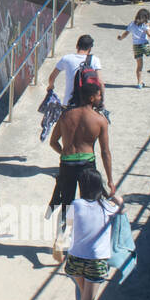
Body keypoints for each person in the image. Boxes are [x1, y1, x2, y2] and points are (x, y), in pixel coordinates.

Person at [48, 76, 113, 259]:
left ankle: (59, 240)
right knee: (90, 205)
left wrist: (64, 153)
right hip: (87, 166)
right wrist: (110, 180)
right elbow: (105, 152)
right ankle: (84, 243)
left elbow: (53, 142)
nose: (101, 98)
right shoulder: (99, 120)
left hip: (67, 164)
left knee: (66, 203)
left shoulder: (66, 115)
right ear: (92, 98)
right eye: (99, 95)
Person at [67, 166, 124, 300]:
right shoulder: (108, 207)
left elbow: (69, 226)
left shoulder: (76, 204)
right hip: (96, 262)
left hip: (75, 260)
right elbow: (122, 206)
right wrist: (113, 195)